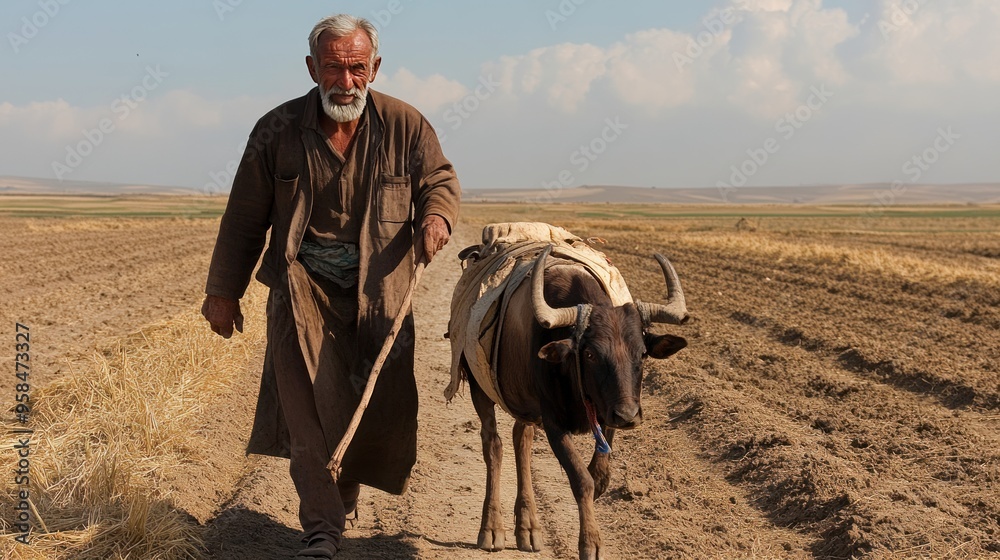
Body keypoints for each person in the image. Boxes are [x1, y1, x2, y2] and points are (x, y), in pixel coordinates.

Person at [201, 14, 460, 559]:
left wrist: (436, 217)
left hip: (379, 297)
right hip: (300, 293)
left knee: (372, 407)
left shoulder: (406, 125)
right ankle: (322, 527)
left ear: (375, 67)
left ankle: (342, 491)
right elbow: (245, 217)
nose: (346, 82)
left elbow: (438, 179)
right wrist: (224, 293)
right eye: (334, 69)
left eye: (357, 68)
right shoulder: (276, 130)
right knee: (306, 414)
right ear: (312, 67)